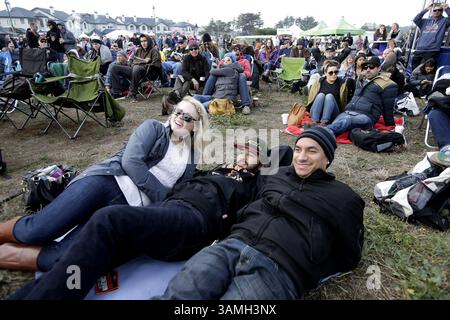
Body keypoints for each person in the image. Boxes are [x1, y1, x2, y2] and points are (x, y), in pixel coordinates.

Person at [8, 141, 294, 300]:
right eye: (244, 152)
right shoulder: (217, 170)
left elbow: (284, 155)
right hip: (167, 213)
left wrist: (262, 163)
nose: (244, 156)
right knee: (90, 256)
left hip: (193, 221)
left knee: (109, 220)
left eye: (253, 154)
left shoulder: (254, 186)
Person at [151, 127, 365, 300]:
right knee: (181, 294)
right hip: (233, 245)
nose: (301, 157)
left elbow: (349, 254)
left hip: (279, 268)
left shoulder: (344, 198)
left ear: (327, 158)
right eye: (298, 149)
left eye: (312, 151)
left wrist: (308, 266)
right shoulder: (277, 175)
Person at [0, 97, 209, 272]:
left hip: (126, 211)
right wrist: (161, 196)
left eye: (188, 117)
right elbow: (131, 162)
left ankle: (8, 255)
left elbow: (181, 189)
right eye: (178, 111)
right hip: (106, 182)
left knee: (63, 258)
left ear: (196, 126)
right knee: (38, 230)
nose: (180, 117)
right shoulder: (154, 128)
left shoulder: (192, 157)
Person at [326, 56, 398, 136]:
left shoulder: (387, 84)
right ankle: (324, 133)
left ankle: (321, 133)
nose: (368, 70)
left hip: (366, 116)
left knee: (346, 120)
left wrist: (390, 124)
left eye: (371, 67)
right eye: (365, 67)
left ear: (379, 68)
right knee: (339, 122)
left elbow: (388, 107)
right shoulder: (360, 80)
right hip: (348, 112)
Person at [110, 34, 162, 102]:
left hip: (147, 72)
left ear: (149, 41)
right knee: (114, 67)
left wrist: (145, 62)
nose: (143, 43)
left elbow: (156, 64)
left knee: (137, 68)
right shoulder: (139, 50)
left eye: (145, 41)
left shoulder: (154, 50)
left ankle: (133, 94)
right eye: (141, 41)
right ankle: (117, 93)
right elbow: (132, 60)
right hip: (134, 69)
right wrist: (132, 63)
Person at [306, 60, 351, 126]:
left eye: (336, 72)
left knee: (329, 96)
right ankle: (314, 121)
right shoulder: (319, 82)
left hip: (333, 112)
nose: (334, 74)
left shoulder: (342, 83)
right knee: (320, 95)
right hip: (317, 110)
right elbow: (311, 98)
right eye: (331, 73)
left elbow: (344, 101)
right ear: (325, 73)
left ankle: (324, 122)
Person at [412, 1, 450, 71]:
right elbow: (416, 19)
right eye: (435, 10)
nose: (437, 11)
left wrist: (447, 9)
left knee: (427, 71)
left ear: (442, 11)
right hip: (419, 49)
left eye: (439, 10)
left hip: (432, 50)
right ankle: (412, 81)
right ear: (432, 11)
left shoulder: (444, 21)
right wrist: (426, 9)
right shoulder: (425, 21)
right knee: (414, 70)